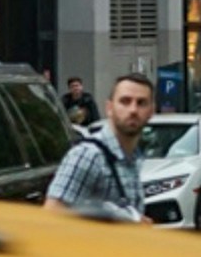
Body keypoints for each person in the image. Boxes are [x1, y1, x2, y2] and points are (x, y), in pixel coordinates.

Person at [45, 71, 156, 219]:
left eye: (141, 103)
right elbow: (51, 216)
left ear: (151, 111)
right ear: (109, 108)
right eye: (125, 101)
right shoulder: (87, 155)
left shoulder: (134, 158)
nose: (133, 110)